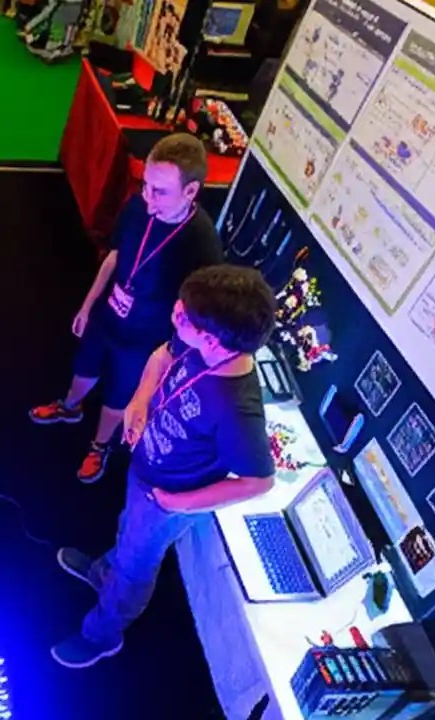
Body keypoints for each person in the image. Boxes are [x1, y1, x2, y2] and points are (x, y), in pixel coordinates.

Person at [50, 265, 278, 668]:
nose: (175, 311)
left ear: (214, 340)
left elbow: (259, 482)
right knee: (127, 530)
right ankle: (105, 572)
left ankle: (101, 634)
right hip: (147, 471)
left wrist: (182, 503)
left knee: (136, 568)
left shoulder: (238, 409)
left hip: (169, 497)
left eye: (184, 315)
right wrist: (139, 401)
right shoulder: (203, 343)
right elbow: (160, 356)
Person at [29, 133, 224, 483]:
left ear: (191, 191)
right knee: (84, 365)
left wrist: (173, 351)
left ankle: (100, 445)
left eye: (160, 191)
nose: (148, 198)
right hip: (108, 313)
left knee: (120, 392)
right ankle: (69, 406)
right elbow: (115, 256)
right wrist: (88, 305)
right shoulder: (137, 207)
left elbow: (199, 305)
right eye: (145, 185)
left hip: (146, 335)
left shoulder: (202, 239)